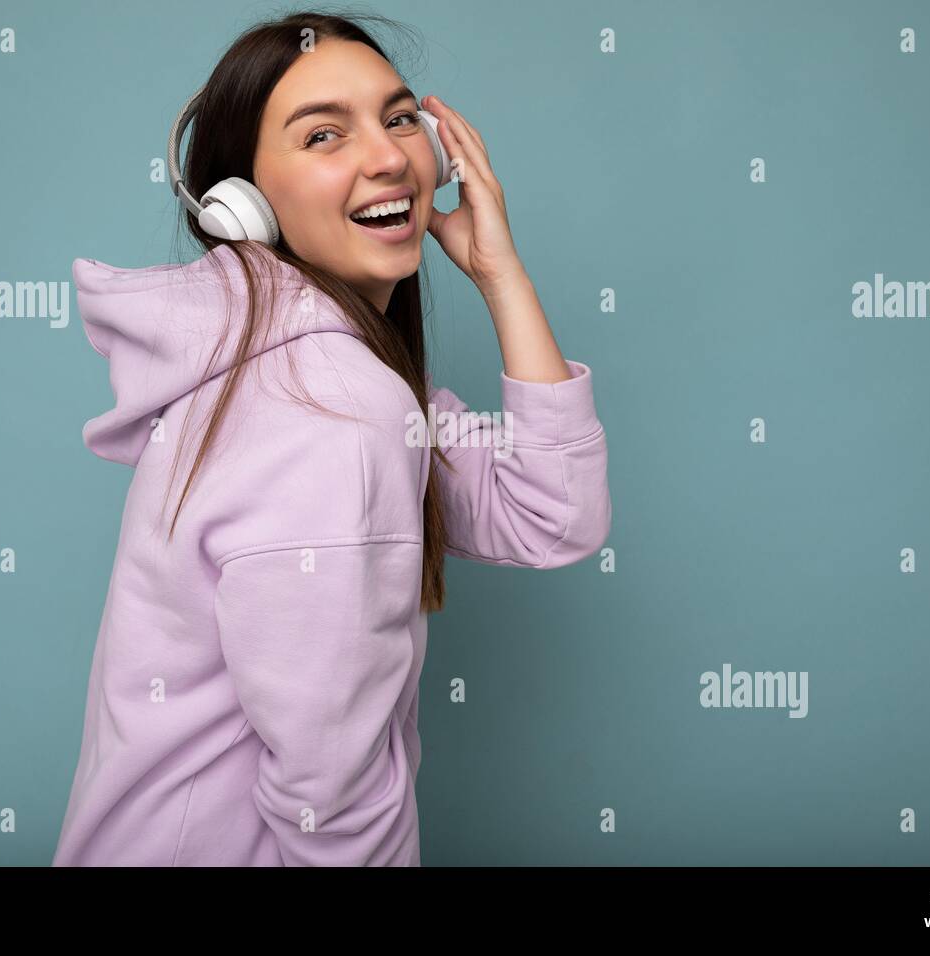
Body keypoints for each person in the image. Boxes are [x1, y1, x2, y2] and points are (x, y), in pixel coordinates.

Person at [52, 9, 610, 866]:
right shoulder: (334, 413)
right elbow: (332, 802)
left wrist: (501, 273)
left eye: (397, 119)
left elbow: (549, 513)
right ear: (241, 204)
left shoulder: (302, 370)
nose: (388, 157)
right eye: (323, 136)